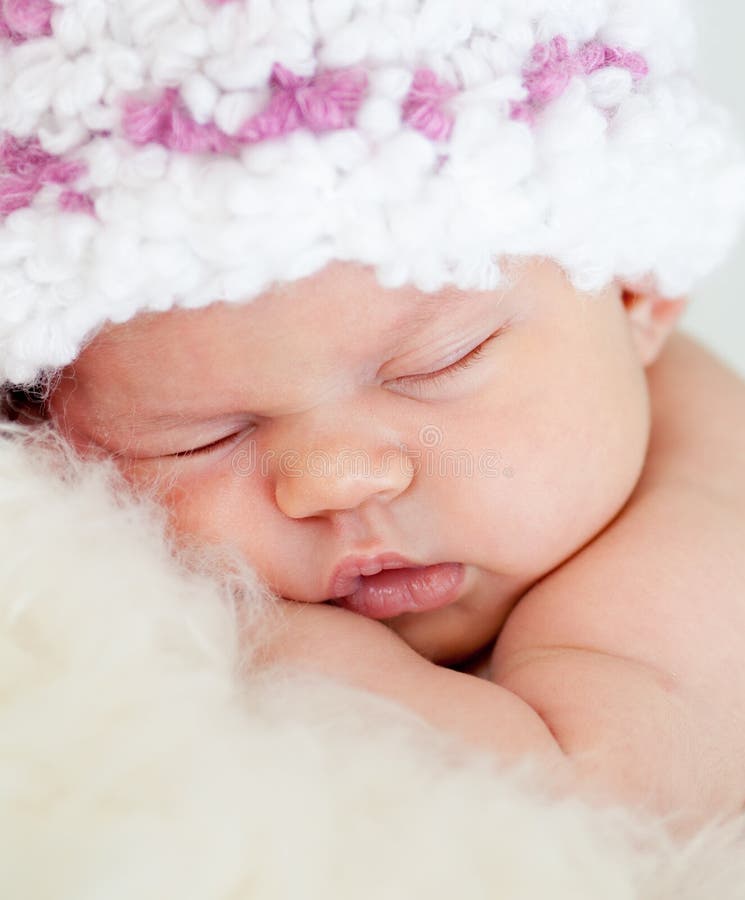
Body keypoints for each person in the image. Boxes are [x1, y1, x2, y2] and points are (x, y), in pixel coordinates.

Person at [2, 0, 744, 830]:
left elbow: (589, 814)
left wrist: (266, 643)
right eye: (197, 436)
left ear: (639, 290)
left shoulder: (705, 530)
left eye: (438, 364)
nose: (333, 483)